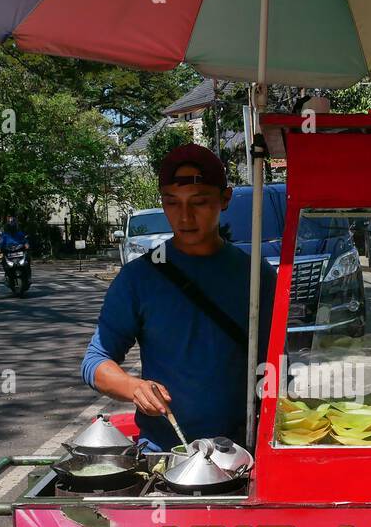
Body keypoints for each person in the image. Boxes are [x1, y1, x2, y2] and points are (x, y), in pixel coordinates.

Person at [81, 144, 276, 451]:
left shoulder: (256, 274)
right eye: (172, 203)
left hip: (243, 450)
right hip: (166, 451)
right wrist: (134, 387)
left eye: (199, 202)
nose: (184, 216)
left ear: (225, 199)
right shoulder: (139, 277)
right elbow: (95, 362)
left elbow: (274, 360)